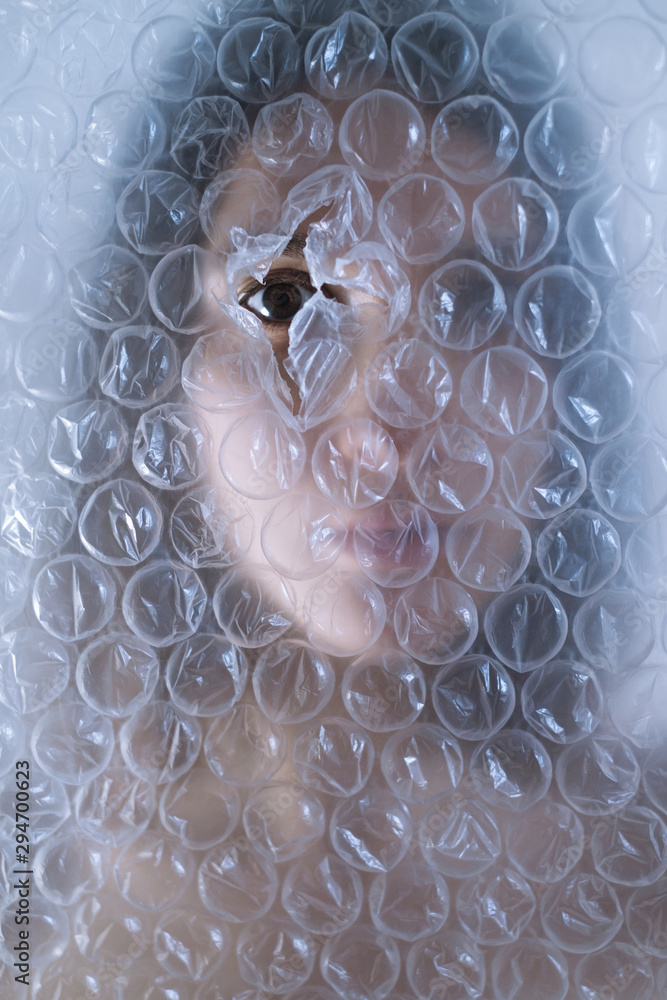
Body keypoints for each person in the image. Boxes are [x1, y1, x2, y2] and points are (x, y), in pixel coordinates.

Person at [1, 2, 666, 999]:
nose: (380, 431)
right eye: (283, 300)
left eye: (477, 297)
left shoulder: (642, 875)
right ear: (152, 369)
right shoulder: (32, 886)